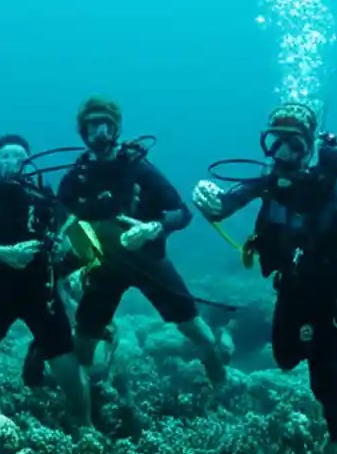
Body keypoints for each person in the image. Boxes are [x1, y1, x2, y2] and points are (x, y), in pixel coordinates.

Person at [192, 104, 337, 443]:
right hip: (290, 287)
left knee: (325, 383)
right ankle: (329, 346)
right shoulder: (269, 182)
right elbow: (223, 206)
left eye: (295, 145)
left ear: (311, 148)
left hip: (332, 297)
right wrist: (205, 197)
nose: (284, 154)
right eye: (276, 142)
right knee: (286, 357)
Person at [56, 96, 226, 383]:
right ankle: (96, 380)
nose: (100, 134)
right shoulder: (76, 178)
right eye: (92, 126)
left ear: (117, 130)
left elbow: (182, 213)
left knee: (197, 332)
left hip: (149, 262)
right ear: (82, 132)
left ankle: (219, 377)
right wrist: (70, 260)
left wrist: (153, 228)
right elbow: (61, 224)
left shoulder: (137, 167)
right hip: (103, 269)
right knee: (82, 347)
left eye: (106, 126)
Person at [0, 134, 92, 425]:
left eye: (18, 156)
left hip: (41, 289)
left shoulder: (46, 200)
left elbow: (79, 242)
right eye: (4, 156)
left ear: (29, 162)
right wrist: (1, 253)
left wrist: (66, 258)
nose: (11, 162)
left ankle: (84, 423)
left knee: (67, 365)